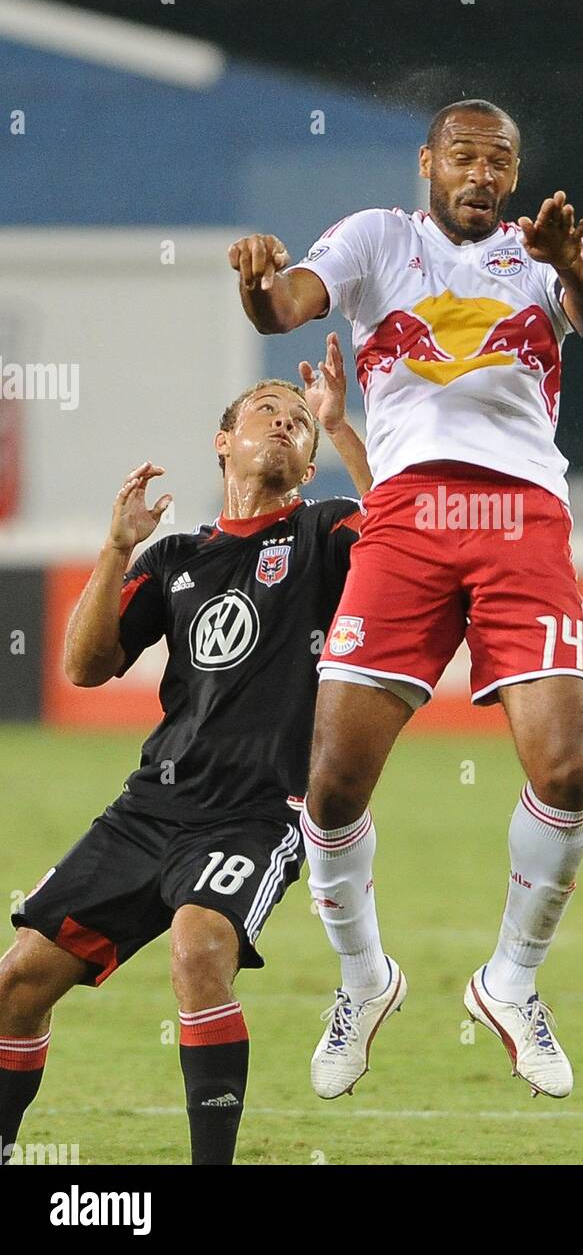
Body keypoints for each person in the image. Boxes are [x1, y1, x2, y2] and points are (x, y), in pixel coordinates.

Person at [229, 98, 583, 1100]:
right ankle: (364, 982)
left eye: (499, 158)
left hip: (524, 517)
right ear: (427, 163)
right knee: (331, 785)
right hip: (405, 520)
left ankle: (511, 981)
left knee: (567, 769)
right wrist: (257, 282)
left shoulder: (551, 244)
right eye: (463, 155)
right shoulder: (376, 239)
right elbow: (286, 308)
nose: (481, 171)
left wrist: (569, 260)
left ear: (516, 170)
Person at [0, 340, 373, 1164]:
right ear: (223, 441)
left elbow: (406, 551)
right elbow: (84, 667)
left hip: (255, 812)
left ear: (309, 464)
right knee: (15, 983)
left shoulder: (324, 532)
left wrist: (345, 429)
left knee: (199, 948)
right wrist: (115, 548)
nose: (285, 424)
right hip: (149, 810)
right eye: (266, 413)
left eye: (299, 422)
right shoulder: (174, 559)